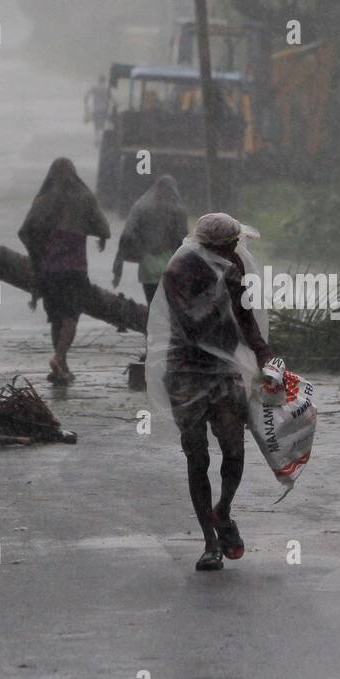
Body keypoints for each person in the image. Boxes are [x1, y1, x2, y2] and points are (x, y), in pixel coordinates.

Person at [150, 213, 274, 572]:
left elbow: (246, 317)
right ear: (211, 247)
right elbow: (195, 323)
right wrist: (227, 292)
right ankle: (210, 542)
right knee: (197, 457)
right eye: (229, 245)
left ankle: (223, 510)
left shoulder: (236, 265)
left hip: (224, 371)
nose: (235, 249)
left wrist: (266, 357)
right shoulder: (179, 271)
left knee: (234, 449)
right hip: (185, 371)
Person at [18, 158, 110, 385]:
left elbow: (26, 230)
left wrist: (38, 250)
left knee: (56, 318)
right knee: (71, 316)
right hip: (74, 269)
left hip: (50, 270)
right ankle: (59, 358)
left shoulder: (43, 199)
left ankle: (62, 366)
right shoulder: (84, 197)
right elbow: (103, 227)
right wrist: (100, 237)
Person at [112, 174, 189, 310]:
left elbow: (128, 234)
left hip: (147, 264)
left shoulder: (141, 208)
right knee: (168, 308)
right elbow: (183, 241)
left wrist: (119, 265)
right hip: (170, 264)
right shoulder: (178, 211)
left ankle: (153, 328)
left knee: (152, 305)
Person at [84, 74, 109, 141]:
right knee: (103, 125)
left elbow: (86, 96)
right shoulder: (106, 89)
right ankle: (101, 139)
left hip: (96, 109)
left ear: (98, 80)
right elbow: (112, 99)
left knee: (96, 126)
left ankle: (97, 139)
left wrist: (86, 105)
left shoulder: (94, 88)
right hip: (104, 109)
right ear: (104, 81)